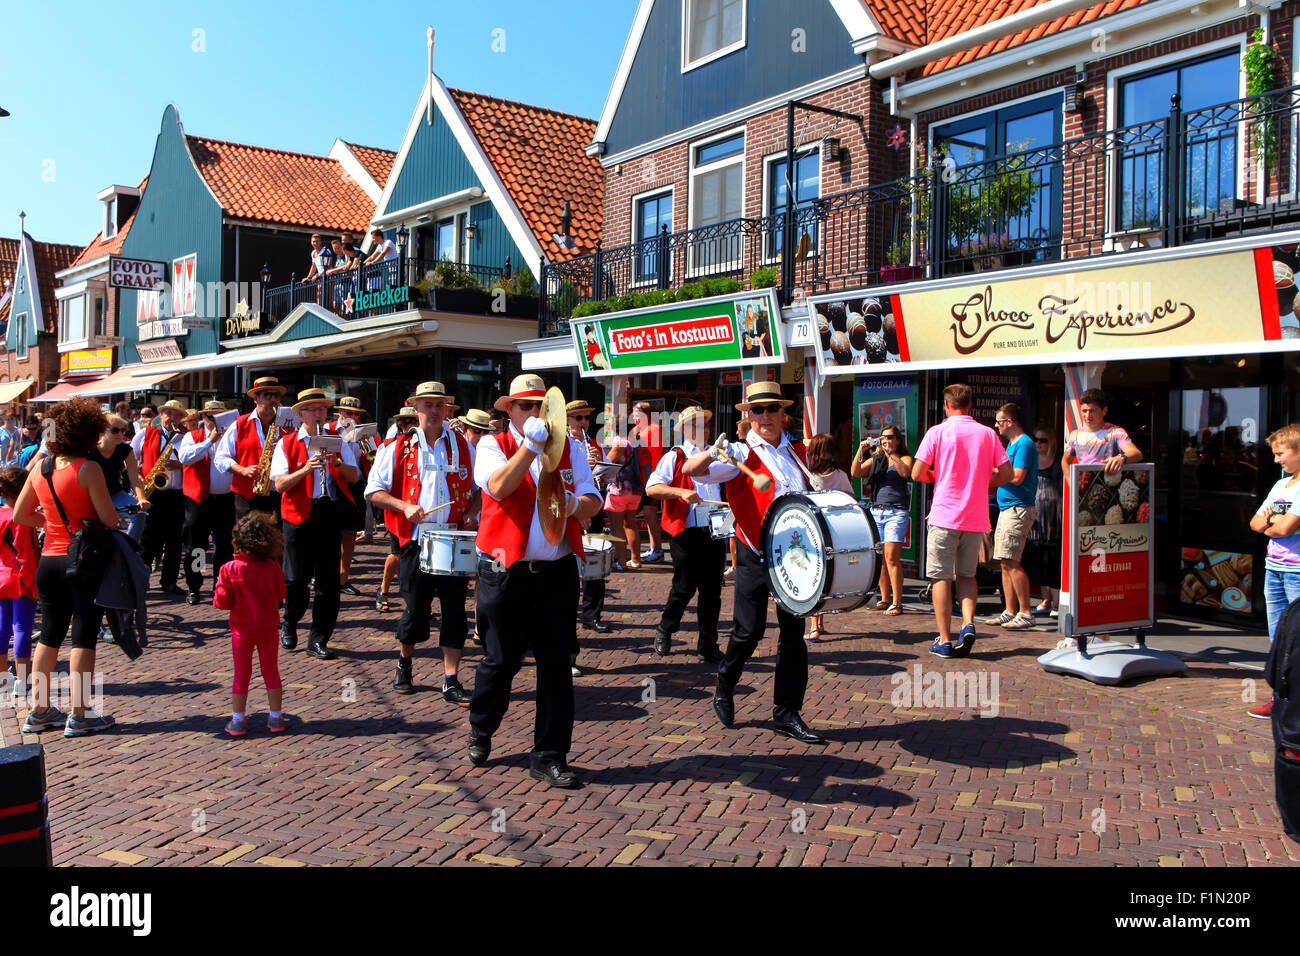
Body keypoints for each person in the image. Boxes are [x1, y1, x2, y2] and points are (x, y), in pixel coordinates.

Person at [467, 374, 601, 789]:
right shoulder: (492, 445)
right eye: (525, 406)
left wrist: (573, 503)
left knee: (556, 667)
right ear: (510, 410)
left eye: (541, 406)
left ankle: (550, 754)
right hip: (507, 572)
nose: (533, 413)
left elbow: (593, 503)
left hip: (556, 572)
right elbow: (498, 486)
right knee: (500, 661)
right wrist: (530, 446)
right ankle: (482, 727)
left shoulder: (572, 449)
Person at [681, 381, 827, 745]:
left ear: (783, 413)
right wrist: (715, 451)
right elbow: (692, 470)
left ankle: (786, 713)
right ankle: (724, 684)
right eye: (757, 410)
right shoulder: (739, 454)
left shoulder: (798, 453)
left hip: (794, 556)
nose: (765, 416)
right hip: (754, 553)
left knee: (794, 637)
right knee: (749, 632)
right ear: (748, 415)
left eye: (772, 409)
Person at [16, 397, 125, 737]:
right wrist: (118, 519)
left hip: (48, 560)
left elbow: (21, 515)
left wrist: (50, 525)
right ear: (88, 434)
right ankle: (79, 713)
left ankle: (39, 709)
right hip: (82, 561)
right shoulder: (88, 469)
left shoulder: (41, 467)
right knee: (84, 635)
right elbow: (108, 519)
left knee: (48, 635)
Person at [366, 382, 477, 703]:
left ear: (446, 409)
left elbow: (481, 487)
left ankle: (451, 679)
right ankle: (404, 662)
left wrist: (472, 511)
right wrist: (404, 506)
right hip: (415, 540)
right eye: (427, 405)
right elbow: (373, 491)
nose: (433, 410)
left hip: (454, 539)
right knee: (416, 609)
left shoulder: (462, 445)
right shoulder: (397, 446)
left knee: (456, 612)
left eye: (438, 405)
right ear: (416, 409)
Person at [912, 383, 1012, 659]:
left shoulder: (938, 432)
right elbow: (1007, 473)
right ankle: (968, 622)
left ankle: (944, 639)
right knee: (967, 575)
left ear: (946, 405)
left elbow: (917, 472)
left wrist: (937, 476)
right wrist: (984, 483)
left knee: (942, 578)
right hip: (975, 516)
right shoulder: (987, 433)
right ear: (970, 405)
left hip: (945, 515)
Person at [271, 388, 359, 660]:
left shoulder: (337, 440)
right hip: (297, 516)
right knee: (296, 579)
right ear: (300, 414)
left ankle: (319, 639)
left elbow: (354, 476)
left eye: (322, 409)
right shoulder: (286, 443)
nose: (319, 413)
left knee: (328, 583)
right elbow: (279, 484)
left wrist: (337, 463)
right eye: (313, 409)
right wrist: (305, 469)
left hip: (328, 513)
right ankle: (290, 621)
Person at [645, 405, 725, 662]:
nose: (704, 429)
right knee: (683, 587)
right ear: (687, 430)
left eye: (705, 424)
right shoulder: (675, 456)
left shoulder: (716, 455)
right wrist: (680, 493)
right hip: (685, 532)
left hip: (714, 531)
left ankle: (708, 644)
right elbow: (651, 488)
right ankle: (665, 630)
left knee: (712, 591)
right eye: (697, 425)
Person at [214, 512, 288, 736]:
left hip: (241, 631)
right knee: (271, 673)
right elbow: (280, 595)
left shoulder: (229, 569)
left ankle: (238, 720)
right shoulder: (273, 567)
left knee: (241, 674)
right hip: (268, 628)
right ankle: (275, 718)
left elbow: (222, 602)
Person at [1248, 424, 1300, 719]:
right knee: (1277, 637)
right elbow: (1254, 522)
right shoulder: (1281, 486)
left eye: (1281, 454)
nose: (1277, 460)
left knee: (1296, 638)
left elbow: (1285, 527)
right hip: (1274, 569)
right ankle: (1281, 697)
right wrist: (1272, 526)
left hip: (1297, 572)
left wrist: (1271, 524)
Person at [982, 403, 1039, 631]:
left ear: (1010, 422)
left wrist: (992, 472)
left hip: (1018, 508)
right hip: (1008, 508)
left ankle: (1025, 611)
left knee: (1012, 561)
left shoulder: (1023, 443)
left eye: (999, 421)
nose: (996, 425)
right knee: (1005, 562)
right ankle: (1010, 610)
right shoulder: (1012, 445)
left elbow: (1016, 477)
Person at [178, 400, 236, 604]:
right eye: (210, 417)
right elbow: (185, 457)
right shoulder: (191, 436)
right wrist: (209, 441)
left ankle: (219, 585)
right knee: (197, 547)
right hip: (198, 500)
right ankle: (194, 586)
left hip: (226, 499)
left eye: (219, 417)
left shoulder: (231, 437)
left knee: (225, 546)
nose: (214, 421)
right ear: (203, 418)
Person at [852, 425, 913, 618]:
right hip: (877, 510)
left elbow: (905, 473)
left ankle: (897, 602)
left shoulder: (904, 458)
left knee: (892, 556)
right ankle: (885, 598)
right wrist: (860, 450)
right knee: (880, 558)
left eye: (890, 437)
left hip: (896, 512)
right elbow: (856, 472)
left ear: (898, 440)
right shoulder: (876, 459)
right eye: (883, 437)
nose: (885, 440)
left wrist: (891, 453)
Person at [567, 400, 613, 651]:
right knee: (570, 565)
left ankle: (592, 614)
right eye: (578, 418)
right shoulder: (559, 443)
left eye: (586, 418)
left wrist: (598, 465)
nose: (583, 423)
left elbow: (604, 476)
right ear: (568, 421)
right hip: (569, 509)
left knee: (595, 558)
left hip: (592, 507)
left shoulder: (592, 444)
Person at [802, 433, 854, 642]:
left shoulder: (808, 475)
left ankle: (814, 625)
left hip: (813, 530)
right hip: (834, 531)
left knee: (814, 578)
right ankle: (820, 622)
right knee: (825, 575)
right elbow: (850, 500)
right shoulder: (840, 475)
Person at [133, 399, 188, 595]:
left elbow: (198, 461)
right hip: (153, 492)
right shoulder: (146, 433)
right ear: (161, 415)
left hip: (176, 493)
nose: (171, 418)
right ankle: (142, 579)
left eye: (176, 415)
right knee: (149, 538)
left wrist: (180, 465)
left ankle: (169, 582)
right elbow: (131, 457)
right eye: (168, 414)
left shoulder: (186, 437)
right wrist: (138, 475)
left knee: (174, 540)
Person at [214, 375, 288, 518]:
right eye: (267, 395)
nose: (273, 399)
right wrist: (242, 470)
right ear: (256, 399)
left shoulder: (288, 426)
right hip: (247, 496)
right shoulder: (239, 424)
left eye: (276, 395)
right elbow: (220, 458)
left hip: (278, 495)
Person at [0, 466, 39, 700]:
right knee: (22, 628)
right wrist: (34, 585)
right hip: (20, 578)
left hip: (1, 576)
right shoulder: (21, 518)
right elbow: (27, 554)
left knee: (2, 628)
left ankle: (3, 677)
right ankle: (23, 680)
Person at [375, 407, 419, 611]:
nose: (413, 424)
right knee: (396, 554)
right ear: (400, 424)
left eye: (415, 420)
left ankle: (416, 602)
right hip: (397, 509)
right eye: (408, 421)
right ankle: (383, 590)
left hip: (418, 510)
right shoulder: (390, 446)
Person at [328, 396, 369, 597]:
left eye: (355, 414)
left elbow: (371, 459)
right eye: (347, 413)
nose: (351, 417)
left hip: (354, 485)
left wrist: (365, 443)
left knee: (350, 533)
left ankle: (344, 577)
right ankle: (323, 575)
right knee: (328, 533)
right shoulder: (328, 429)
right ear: (339, 413)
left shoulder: (364, 432)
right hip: (333, 484)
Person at [92, 414, 149, 544]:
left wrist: (141, 498)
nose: (120, 434)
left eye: (123, 430)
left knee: (140, 514)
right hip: (91, 495)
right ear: (103, 430)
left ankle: (128, 547)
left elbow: (134, 477)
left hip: (114, 493)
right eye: (114, 430)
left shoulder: (125, 450)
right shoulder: (90, 449)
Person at [1025, 425, 1063, 619]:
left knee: (1053, 559)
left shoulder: (1058, 461)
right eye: (1036, 440)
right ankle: (1045, 599)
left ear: (1051, 442)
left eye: (1043, 440)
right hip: (1035, 513)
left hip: (1054, 515)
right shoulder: (1031, 461)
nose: (1038, 444)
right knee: (1038, 558)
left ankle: (1057, 602)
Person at [1062, 388, 1143, 475]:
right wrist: (1072, 483)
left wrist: (1121, 458)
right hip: (1084, 486)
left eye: (1092, 411)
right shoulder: (1075, 435)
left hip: (1108, 485)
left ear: (1104, 411)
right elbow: (1065, 461)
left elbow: (1137, 454)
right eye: (1084, 411)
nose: (1088, 415)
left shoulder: (1116, 432)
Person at [603, 422, 642, 570]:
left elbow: (607, 463)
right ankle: (636, 560)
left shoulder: (619, 442)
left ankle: (621, 562)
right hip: (635, 489)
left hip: (619, 489)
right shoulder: (635, 442)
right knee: (631, 524)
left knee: (617, 526)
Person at [631, 402, 665, 563]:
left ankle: (658, 549)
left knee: (650, 514)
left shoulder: (653, 429)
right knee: (647, 513)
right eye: (634, 412)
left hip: (652, 478)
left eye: (638, 412)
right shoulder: (637, 430)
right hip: (640, 479)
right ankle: (653, 547)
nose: (635, 415)